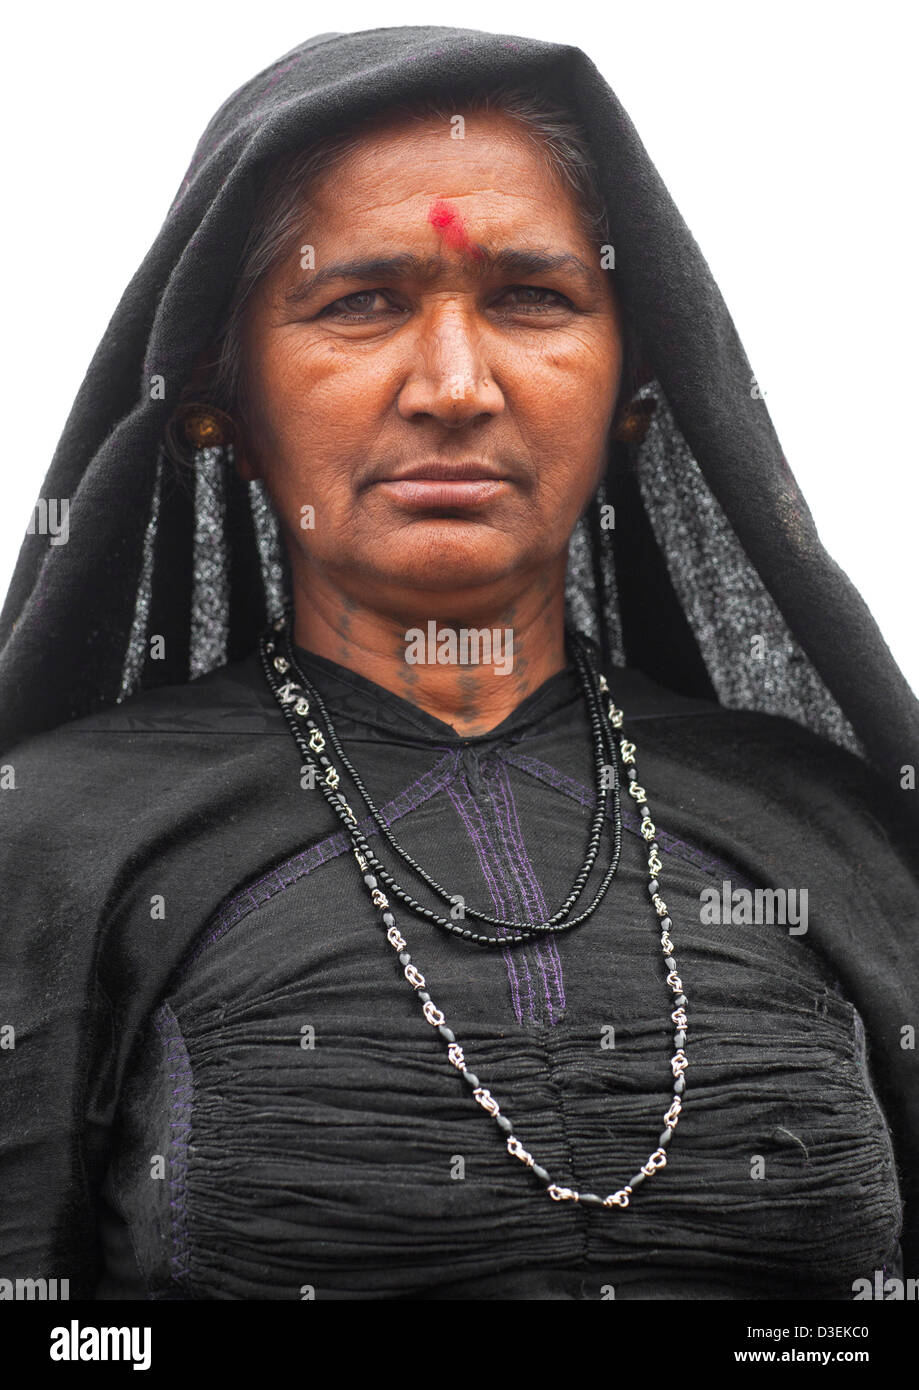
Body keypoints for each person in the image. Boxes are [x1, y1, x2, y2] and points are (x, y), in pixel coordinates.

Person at [1, 27, 917, 1302]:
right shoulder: (47, 844)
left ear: (635, 379)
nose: (452, 384)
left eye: (532, 298)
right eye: (360, 300)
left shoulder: (834, 832)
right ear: (221, 387)